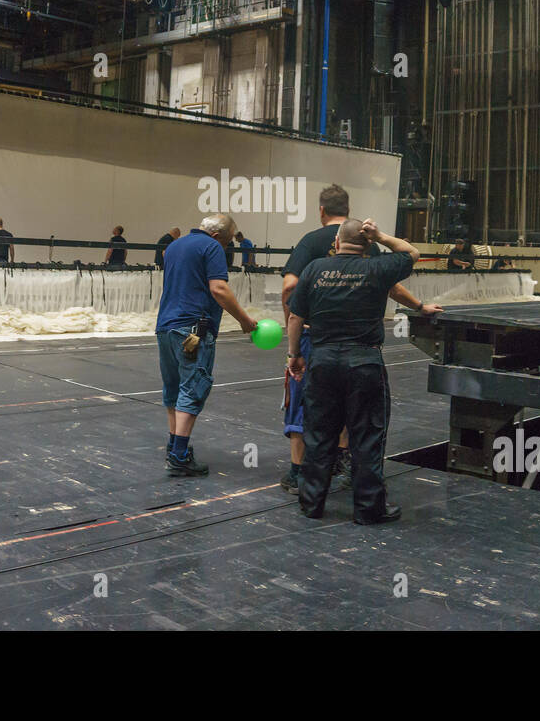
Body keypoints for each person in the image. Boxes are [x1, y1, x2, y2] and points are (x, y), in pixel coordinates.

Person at [278, 184, 441, 495]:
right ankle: (348, 467)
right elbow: (391, 285)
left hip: (318, 339)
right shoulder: (369, 245)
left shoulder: (310, 244)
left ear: (322, 211)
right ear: (349, 212)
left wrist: (294, 343)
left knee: (306, 406)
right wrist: (420, 306)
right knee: (358, 410)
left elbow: (289, 289)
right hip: (362, 349)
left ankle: (301, 477)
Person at [288, 218, 421, 524]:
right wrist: (381, 235)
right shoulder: (377, 268)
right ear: (368, 244)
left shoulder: (314, 270)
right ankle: (368, 509)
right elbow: (411, 253)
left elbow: (296, 317)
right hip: (364, 363)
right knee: (366, 437)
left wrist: (294, 356)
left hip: (322, 362)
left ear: (336, 242)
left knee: (319, 436)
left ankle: (312, 504)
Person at [155, 214, 258, 476]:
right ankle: (179, 456)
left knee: (173, 389)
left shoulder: (175, 245)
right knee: (193, 388)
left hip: (166, 327)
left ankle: (174, 447)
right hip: (193, 330)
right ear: (216, 237)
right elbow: (218, 289)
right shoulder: (211, 246)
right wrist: (244, 320)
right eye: (225, 244)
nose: (224, 249)